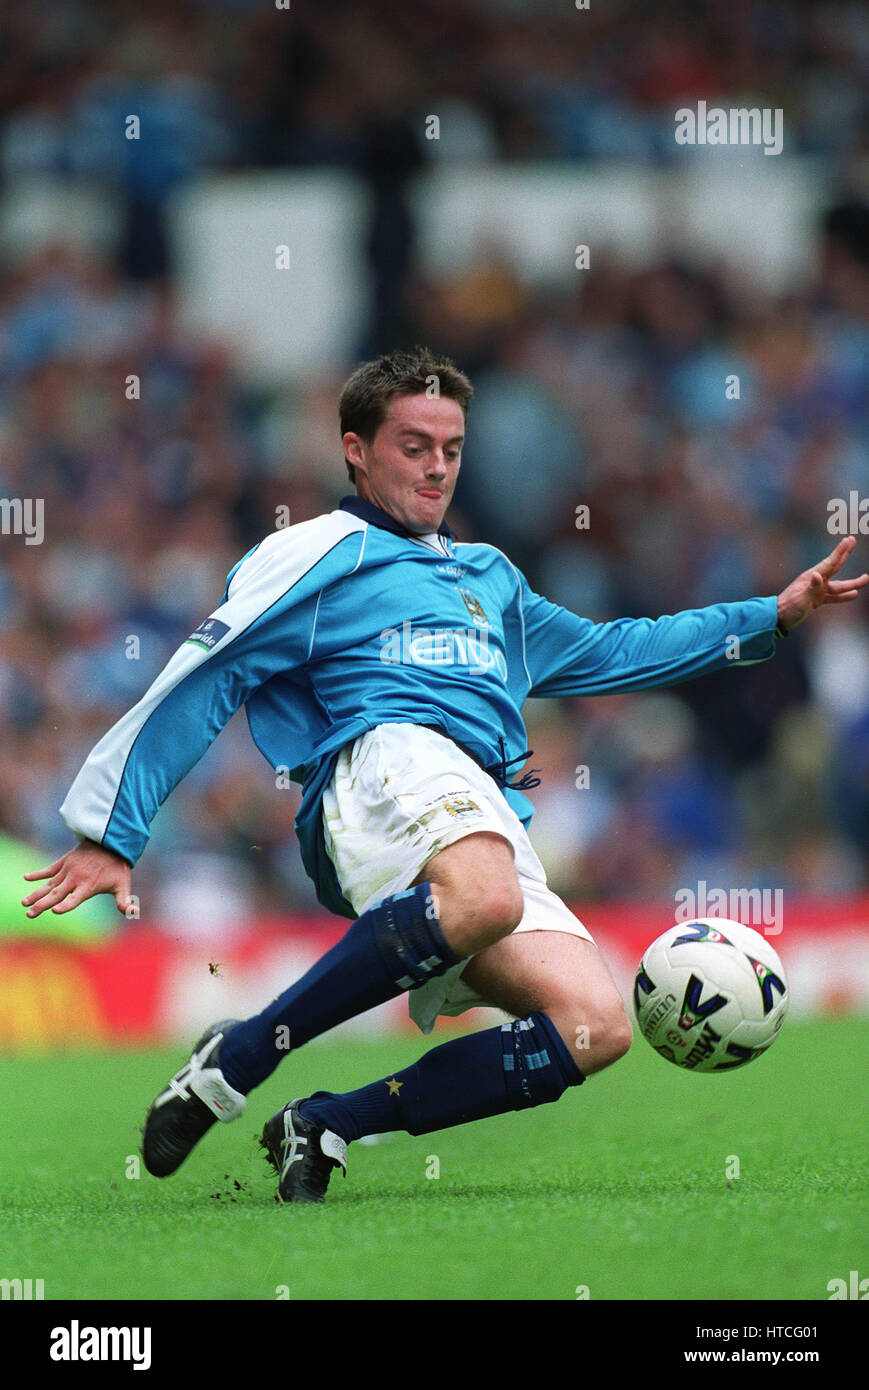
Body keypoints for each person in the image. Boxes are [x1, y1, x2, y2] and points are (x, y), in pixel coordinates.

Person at [22, 348, 868, 1204]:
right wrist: (112, 831)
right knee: (483, 896)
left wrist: (768, 616)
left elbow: (610, 650)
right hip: (378, 764)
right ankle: (238, 1060)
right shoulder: (317, 551)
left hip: (478, 807)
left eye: (452, 448)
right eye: (413, 445)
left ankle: (325, 1124)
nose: (436, 467)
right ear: (355, 448)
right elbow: (208, 672)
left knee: (593, 1026)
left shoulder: (486, 577)